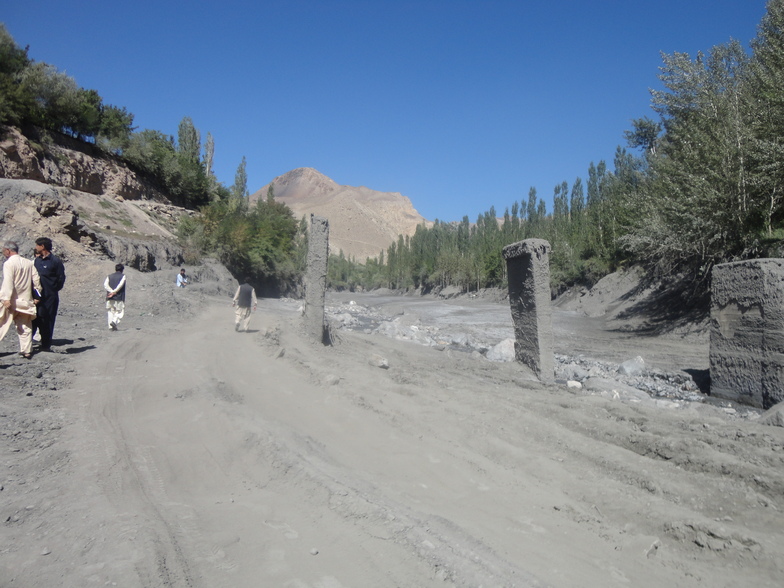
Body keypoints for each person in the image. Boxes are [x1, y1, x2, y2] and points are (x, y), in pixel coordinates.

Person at [0, 241, 43, 359]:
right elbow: (36, 280)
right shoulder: (28, 263)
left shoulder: (9, 264)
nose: (3, 252)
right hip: (25, 300)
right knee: (25, 326)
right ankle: (26, 350)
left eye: (4, 250)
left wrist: (5, 298)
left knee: (2, 324)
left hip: (11, 300)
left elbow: (8, 282)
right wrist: (37, 296)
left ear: (8, 250)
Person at [31, 237, 66, 351]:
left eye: (37, 245)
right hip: (36, 296)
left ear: (43, 246)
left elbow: (61, 279)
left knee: (48, 320)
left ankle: (46, 345)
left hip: (50, 297)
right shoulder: (37, 261)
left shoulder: (55, 261)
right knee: (34, 319)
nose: (36, 247)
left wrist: (52, 290)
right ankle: (28, 343)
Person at [104, 263, 126, 331]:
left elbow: (105, 285)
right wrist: (114, 292)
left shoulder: (109, 276)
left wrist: (111, 292)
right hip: (119, 297)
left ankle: (111, 327)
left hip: (110, 297)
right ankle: (114, 321)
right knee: (119, 311)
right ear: (122, 270)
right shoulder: (123, 276)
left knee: (110, 311)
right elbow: (120, 285)